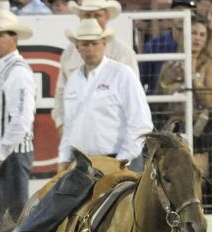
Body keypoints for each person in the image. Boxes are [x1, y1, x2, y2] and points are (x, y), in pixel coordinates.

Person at [57, 19, 153, 172]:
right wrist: (64, 158)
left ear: (104, 44)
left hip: (119, 159)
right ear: (77, 47)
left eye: (94, 43)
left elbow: (140, 122)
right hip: (82, 164)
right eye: (85, 44)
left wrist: (121, 161)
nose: (90, 48)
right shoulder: (73, 79)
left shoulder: (122, 74)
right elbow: (70, 126)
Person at [52, 0, 139, 135]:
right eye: (87, 15)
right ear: (80, 17)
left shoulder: (122, 52)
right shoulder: (69, 53)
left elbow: (132, 98)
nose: (92, 20)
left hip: (114, 131)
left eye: (97, 15)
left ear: (107, 17)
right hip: (78, 131)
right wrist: (61, 123)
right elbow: (61, 93)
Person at [0, 8, 36, 230]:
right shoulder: (3, 68)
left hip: (11, 154)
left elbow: (22, 120)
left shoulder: (17, 71)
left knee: (12, 221)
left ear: (14, 38)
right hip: (3, 153)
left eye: (0, 35)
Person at [157, 16, 212, 176]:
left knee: (198, 177)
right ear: (185, 35)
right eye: (193, 33)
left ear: (206, 40)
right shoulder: (169, 64)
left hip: (199, 128)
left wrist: (192, 77)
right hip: (173, 128)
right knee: (173, 178)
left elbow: (210, 102)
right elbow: (158, 103)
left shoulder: (211, 65)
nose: (197, 38)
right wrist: (166, 83)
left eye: (202, 34)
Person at [139, 0, 197, 94]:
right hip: (159, 100)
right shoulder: (154, 45)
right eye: (179, 10)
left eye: (188, 11)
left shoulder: (199, 45)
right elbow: (141, 81)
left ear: (194, 17)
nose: (182, 15)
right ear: (171, 14)